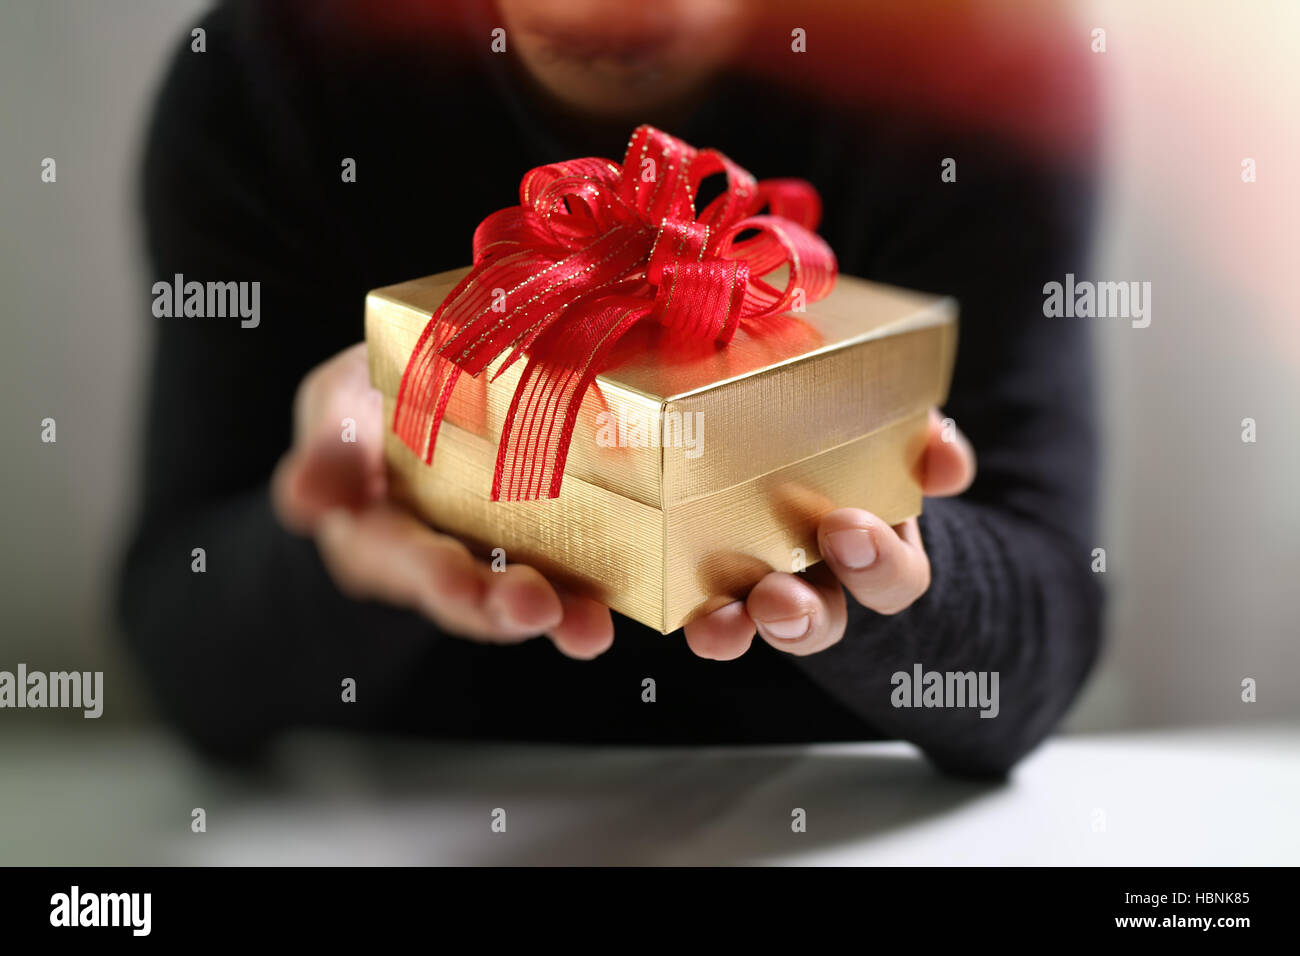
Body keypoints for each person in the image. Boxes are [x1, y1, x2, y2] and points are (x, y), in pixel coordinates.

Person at [119, 0, 1103, 777]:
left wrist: (894, 556)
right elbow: (182, 645)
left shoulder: (981, 58)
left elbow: (1038, 651)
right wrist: (342, 543)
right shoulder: (268, 70)